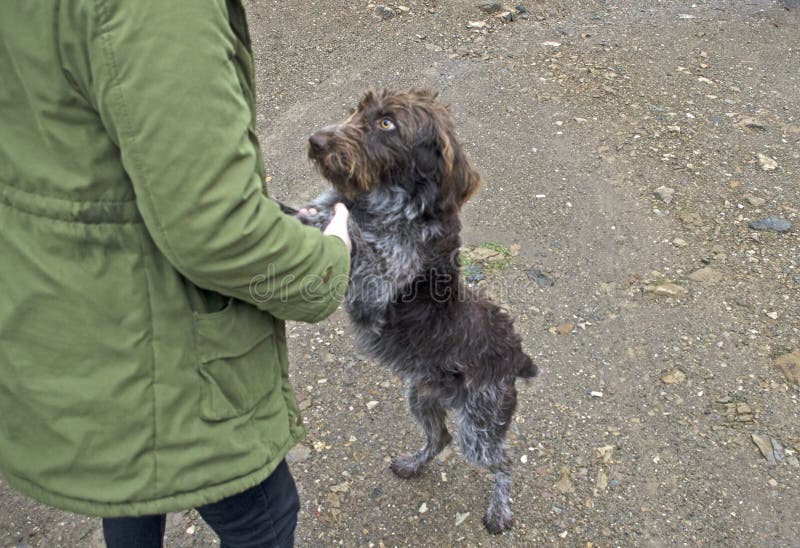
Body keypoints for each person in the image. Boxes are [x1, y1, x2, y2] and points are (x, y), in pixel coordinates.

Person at [0, 1, 351, 546]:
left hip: (68, 315)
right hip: (165, 348)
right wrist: (329, 260)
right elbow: (215, 229)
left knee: (134, 486)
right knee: (265, 518)